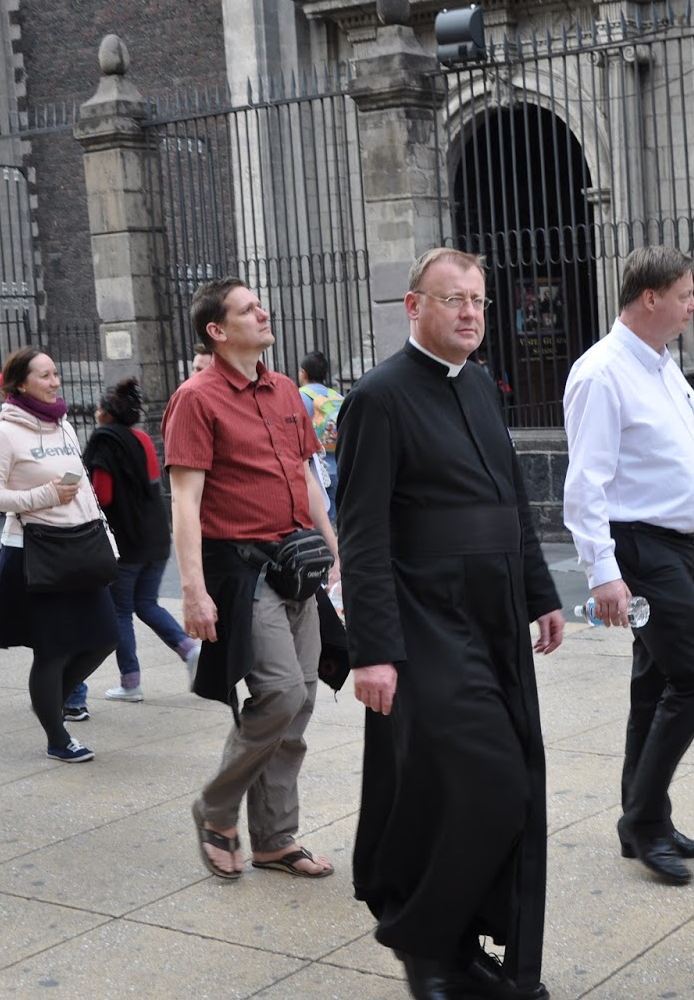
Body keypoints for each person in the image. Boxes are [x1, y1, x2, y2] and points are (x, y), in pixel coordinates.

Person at [338, 247, 563, 1000]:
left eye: (478, 301)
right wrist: (373, 650)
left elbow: (512, 506)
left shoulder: (481, 388)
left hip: (494, 618)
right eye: (454, 299)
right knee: (488, 785)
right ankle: (424, 946)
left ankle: (459, 949)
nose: (470, 313)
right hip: (424, 620)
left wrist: (540, 591)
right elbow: (364, 533)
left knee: (489, 787)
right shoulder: (378, 397)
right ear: (415, 307)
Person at [563, 244, 694, 886]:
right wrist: (602, 572)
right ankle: (644, 823)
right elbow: (585, 484)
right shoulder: (601, 373)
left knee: (655, 685)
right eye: (684, 294)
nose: (693, 305)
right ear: (649, 298)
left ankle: (647, 817)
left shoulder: (662, 366)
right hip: (638, 548)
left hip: (674, 547)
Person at [164, 277, 339, 884]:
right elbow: (185, 500)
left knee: (303, 701)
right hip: (244, 570)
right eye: (247, 308)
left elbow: (307, 475)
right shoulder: (197, 397)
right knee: (281, 694)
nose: (263, 311)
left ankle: (273, 838)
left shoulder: (287, 388)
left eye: (261, 303)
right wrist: (193, 589)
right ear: (217, 330)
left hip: (301, 565)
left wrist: (334, 552)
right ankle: (215, 808)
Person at [0, 347, 119, 763]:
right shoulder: (1, 435)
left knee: (104, 637)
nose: (55, 381)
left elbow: (85, 490)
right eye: (45, 376)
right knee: (52, 649)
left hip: (82, 544)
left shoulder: (64, 427)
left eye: (56, 374)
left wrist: (105, 536)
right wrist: (44, 495)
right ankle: (58, 737)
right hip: (37, 552)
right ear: (20, 383)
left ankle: (49, 702)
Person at [82, 376, 199, 703]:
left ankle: (130, 682)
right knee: (146, 603)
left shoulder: (103, 441)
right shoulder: (143, 439)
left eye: (98, 407)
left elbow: (102, 495)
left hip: (127, 541)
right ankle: (189, 650)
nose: (95, 411)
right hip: (157, 536)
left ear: (106, 412)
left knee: (120, 610)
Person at [296, 351, 343, 516]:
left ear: (304, 373)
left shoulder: (299, 396)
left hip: (315, 471)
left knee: (321, 522)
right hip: (338, 466)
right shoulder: (337, 396)